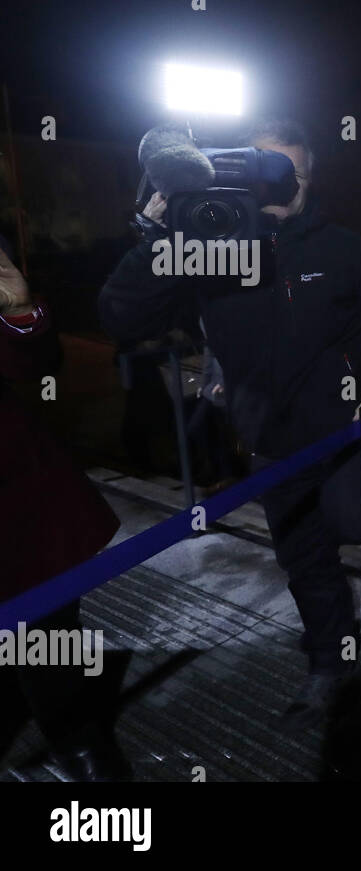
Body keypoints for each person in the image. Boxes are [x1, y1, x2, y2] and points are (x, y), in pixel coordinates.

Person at [99, 119, 361, 731]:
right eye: (263, 170)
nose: (280, 184)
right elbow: (121, 317)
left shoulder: (343, 248)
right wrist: (155, 237)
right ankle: (331, 665)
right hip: (272, 442)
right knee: (305, 560)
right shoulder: (211, 248)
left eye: (293, 173)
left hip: (351, 437)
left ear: (311, 180)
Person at [1, 238, 130, 780]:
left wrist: (18, 310)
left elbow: (35, 363)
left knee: (45, 627)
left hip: (16, 506)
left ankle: (76, 741)